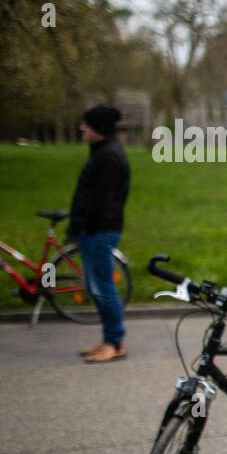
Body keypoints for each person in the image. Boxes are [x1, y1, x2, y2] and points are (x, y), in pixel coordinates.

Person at [68, 105, 130, 363]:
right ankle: (109, 340)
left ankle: (114, 343)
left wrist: (87, 227)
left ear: (99, 129)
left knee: (104, 289)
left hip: (100, 231)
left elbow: (103, 202)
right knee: (96, 288)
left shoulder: (110, 158)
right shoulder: (102, 153)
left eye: (87, 125)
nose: (82, 128)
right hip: (93, 230)